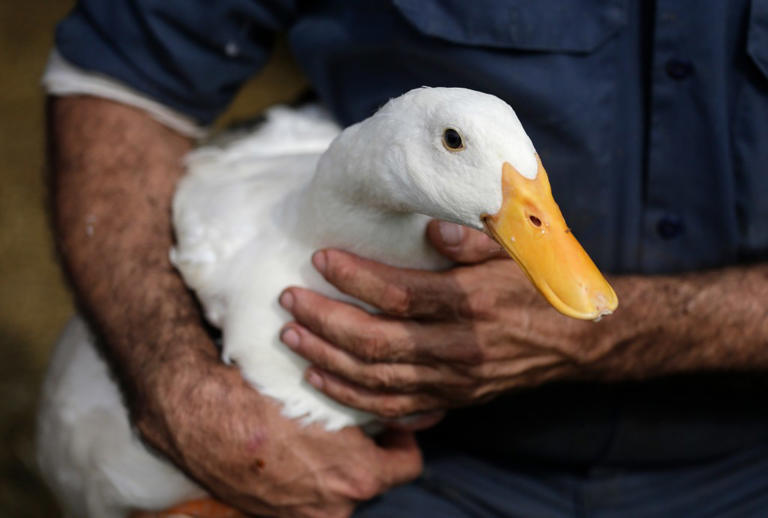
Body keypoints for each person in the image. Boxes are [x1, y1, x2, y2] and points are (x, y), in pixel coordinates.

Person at [45, 0, 768, 516]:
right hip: (430, 473)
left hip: (742, 466)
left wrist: (629, 331)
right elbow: (122, 72)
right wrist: (180, 390)